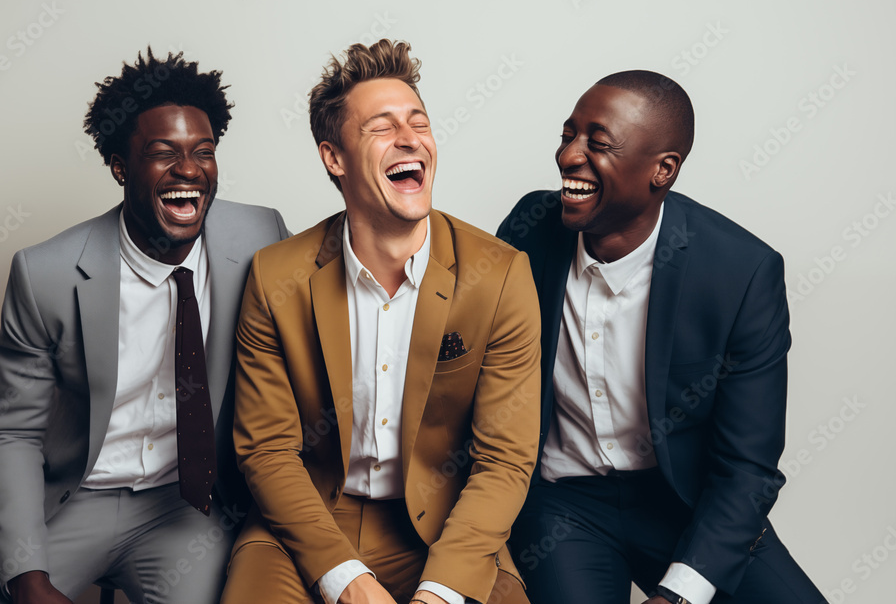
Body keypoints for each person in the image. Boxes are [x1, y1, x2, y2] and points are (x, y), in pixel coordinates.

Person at [0, 49, 288, 604]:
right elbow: (13, 432)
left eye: (204, 152)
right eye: (163, 153)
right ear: (120, 166)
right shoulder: (46, 274)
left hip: (188, 508)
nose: (190, 170)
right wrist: (29, 579)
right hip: (72, 499)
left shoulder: (259, 236)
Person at [222, 39, 541, 604]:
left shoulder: (501, 275)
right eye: (381, 127)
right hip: (305, 524)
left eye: (419, 122)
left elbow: (504, 460)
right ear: (334, 158)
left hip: (445, 530)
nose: (409, 138)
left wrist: (441, 590)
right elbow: (267, 450)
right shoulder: (277, 276)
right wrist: (345, 577)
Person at [497, 70, 824, 604]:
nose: (567, 157)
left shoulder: (741, 273)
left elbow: (748, 467)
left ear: (662, 170)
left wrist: (678, 595)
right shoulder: (532, 228)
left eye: (597, 144)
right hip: (563, 506)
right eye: (567, 136)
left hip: (689, 504)